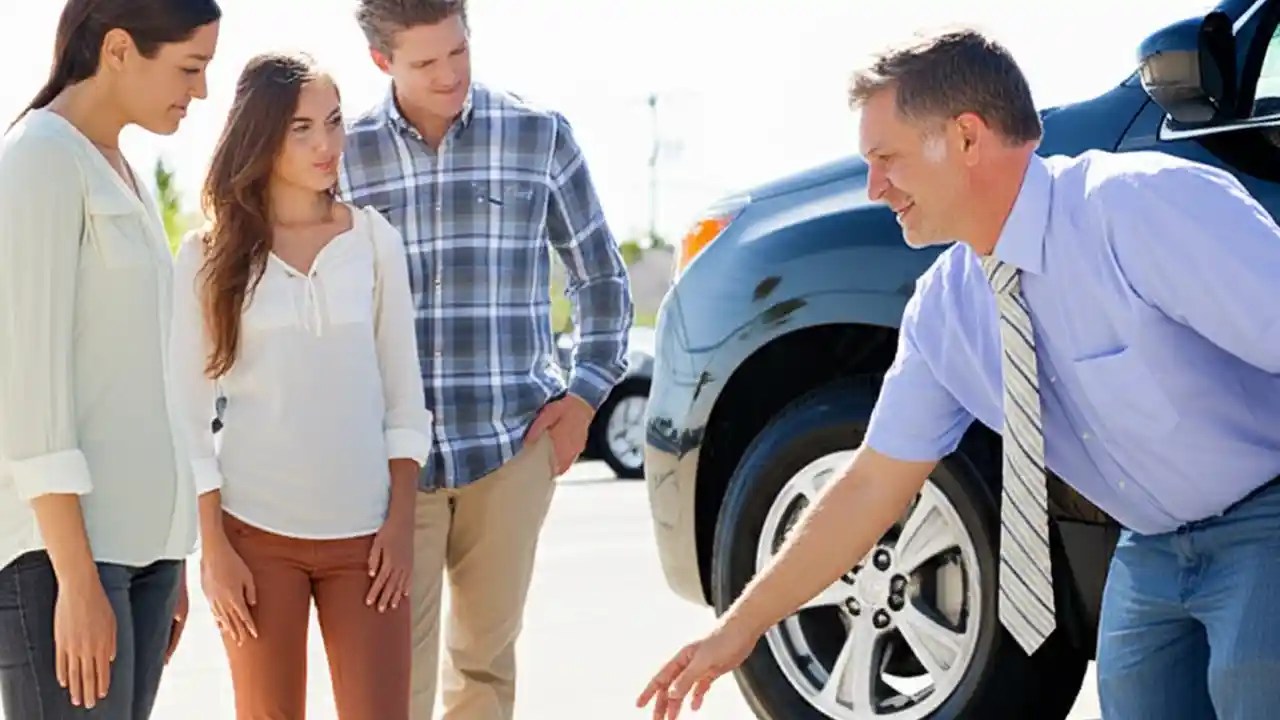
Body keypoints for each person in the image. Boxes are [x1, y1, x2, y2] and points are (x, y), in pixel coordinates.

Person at [639, 27, 1280, 720]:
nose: (874, 188)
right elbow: (869, 486)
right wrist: (735, 630)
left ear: (968, 139)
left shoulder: (1139, 210)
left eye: (887, 158)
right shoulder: (945, 311)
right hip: (1150, 551)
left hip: (1266, 520)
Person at [338, 1, 634, 717]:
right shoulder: (345, 155)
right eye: (425, 63)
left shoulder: (539, 136)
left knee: (484, 668)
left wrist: (585, 398)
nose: (449, 76)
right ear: (383, 62)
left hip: (510, 450)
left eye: (458, 52)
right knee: (391, 678)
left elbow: (601, 278)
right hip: (389, 466)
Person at [168, 50, 432, 720]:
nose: (327, 144)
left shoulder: (374, 242)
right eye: (303, 128)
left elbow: (404, 399)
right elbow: (187, 414)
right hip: (254, 537)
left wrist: (400, 524)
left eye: (335, 123)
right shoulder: (209, 256)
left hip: (368, 541)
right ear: (262, 134)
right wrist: (214, 549)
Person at [0, 1, 221, 718]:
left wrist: (169, 547)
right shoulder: (39, 159)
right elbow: (27, 389)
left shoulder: (116, 166)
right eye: (190, 68)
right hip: (63, 561)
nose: (201, 92)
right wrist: (75, 580)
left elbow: (143, 374)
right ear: (119, 48)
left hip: (139, 552)